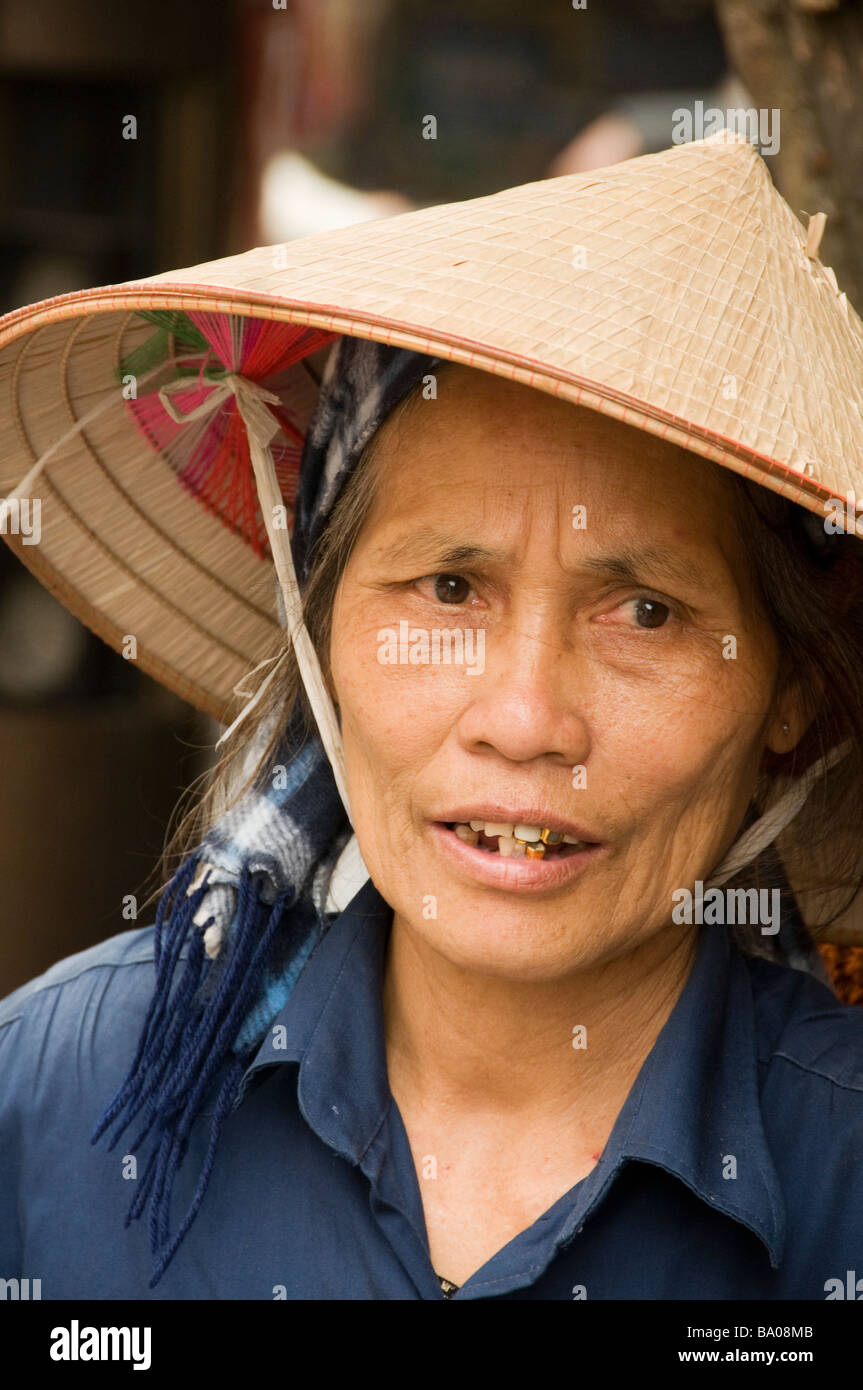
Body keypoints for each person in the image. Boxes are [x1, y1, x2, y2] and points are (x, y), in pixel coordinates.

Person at [1, 131, 863, 1301]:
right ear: (323, 639)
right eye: (449, 590)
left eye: (646, 612)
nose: (523, 719)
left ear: (786, 695)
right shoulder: (53, 1099)